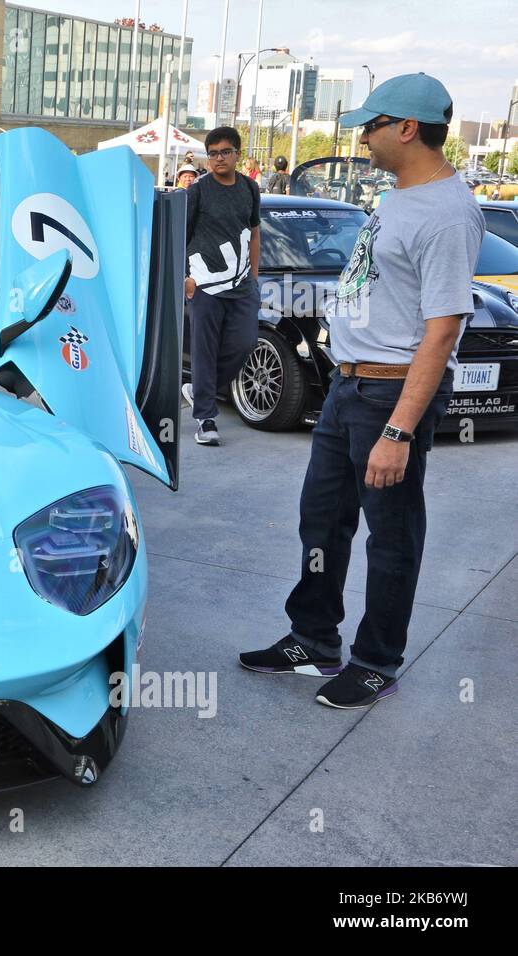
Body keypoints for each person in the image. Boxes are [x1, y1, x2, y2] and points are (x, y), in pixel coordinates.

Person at [239, 73, 484, 709]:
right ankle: (314, 640)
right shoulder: (401, 197)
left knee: (391, 536)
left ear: (408, 128)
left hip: (389, 396)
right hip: (347, 389)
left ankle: (375, 660)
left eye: (372, 128)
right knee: (322, 521)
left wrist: (399, 431)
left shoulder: (449, 213)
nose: (364, 141)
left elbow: (441, 332)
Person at [181, 126, 261, 447]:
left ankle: (201, 389)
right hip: (203, 286)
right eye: (212, 153)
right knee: (205, 350)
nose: (217, 159)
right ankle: (206, 419)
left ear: (237, 155)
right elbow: (179, 234)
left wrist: (254, 279)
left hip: (242, 286)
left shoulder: (250, 189)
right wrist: (184, 277)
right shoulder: (197, 191)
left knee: (244, 343)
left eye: (224, 152)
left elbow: (254, 233)